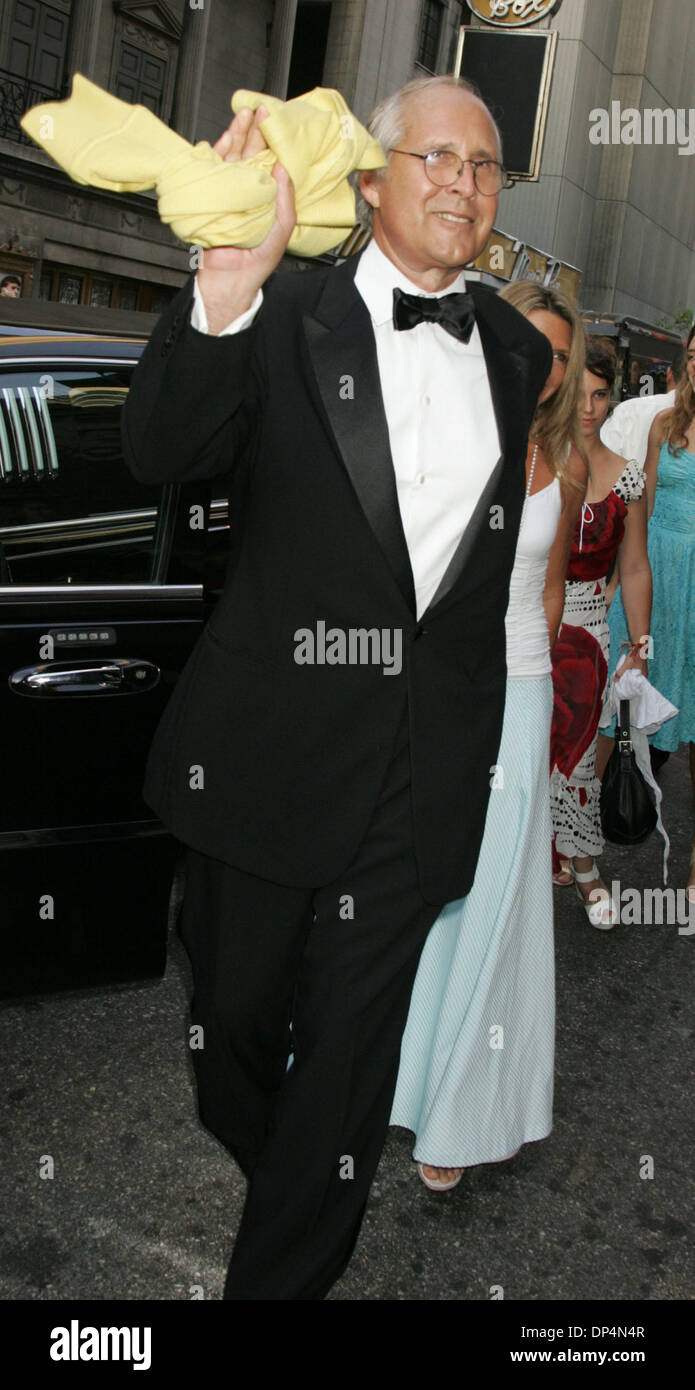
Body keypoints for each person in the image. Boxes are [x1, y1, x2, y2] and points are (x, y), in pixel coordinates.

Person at [122, 74, 552, 1301]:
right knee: (235, 1040)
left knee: (352, 1070)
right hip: (265, 760)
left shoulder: (515, 351)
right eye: (436, 158)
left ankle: (290, 1255)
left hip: (415, 790)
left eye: (483, 167)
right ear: (367, 181)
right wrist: (220, 291)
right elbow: (162, 451)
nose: (461, 183)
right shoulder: (282, 308)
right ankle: (302, 1172)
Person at [391, 280, 586, 1190]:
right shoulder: (451, 439)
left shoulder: (570, 466)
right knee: (425, 886)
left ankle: (458, 1113)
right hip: (447, 688)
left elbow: (548, 590)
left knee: (496, 895)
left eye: (553, 354)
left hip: (522, 691)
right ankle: (394, 1081)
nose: (537, 368)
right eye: (524, 346)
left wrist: (545, 694)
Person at [549, 344, 652, 923]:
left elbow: (634, 567)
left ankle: (586, 866)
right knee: (524, 753)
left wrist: (641, 646)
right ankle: (524, 860)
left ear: (612, 398)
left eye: (600, 394)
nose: (588, 408)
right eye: (579, 393)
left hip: (589, 629)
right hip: (527, 626)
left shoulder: (629, 477)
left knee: (581, 755)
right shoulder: (536, 462)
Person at [604, 324, 695, 899]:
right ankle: (582, 835)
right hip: (657, 570)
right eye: (694, 354)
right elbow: (646, 508)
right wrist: (616, 583)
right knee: (614, 709)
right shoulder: (666, 424)